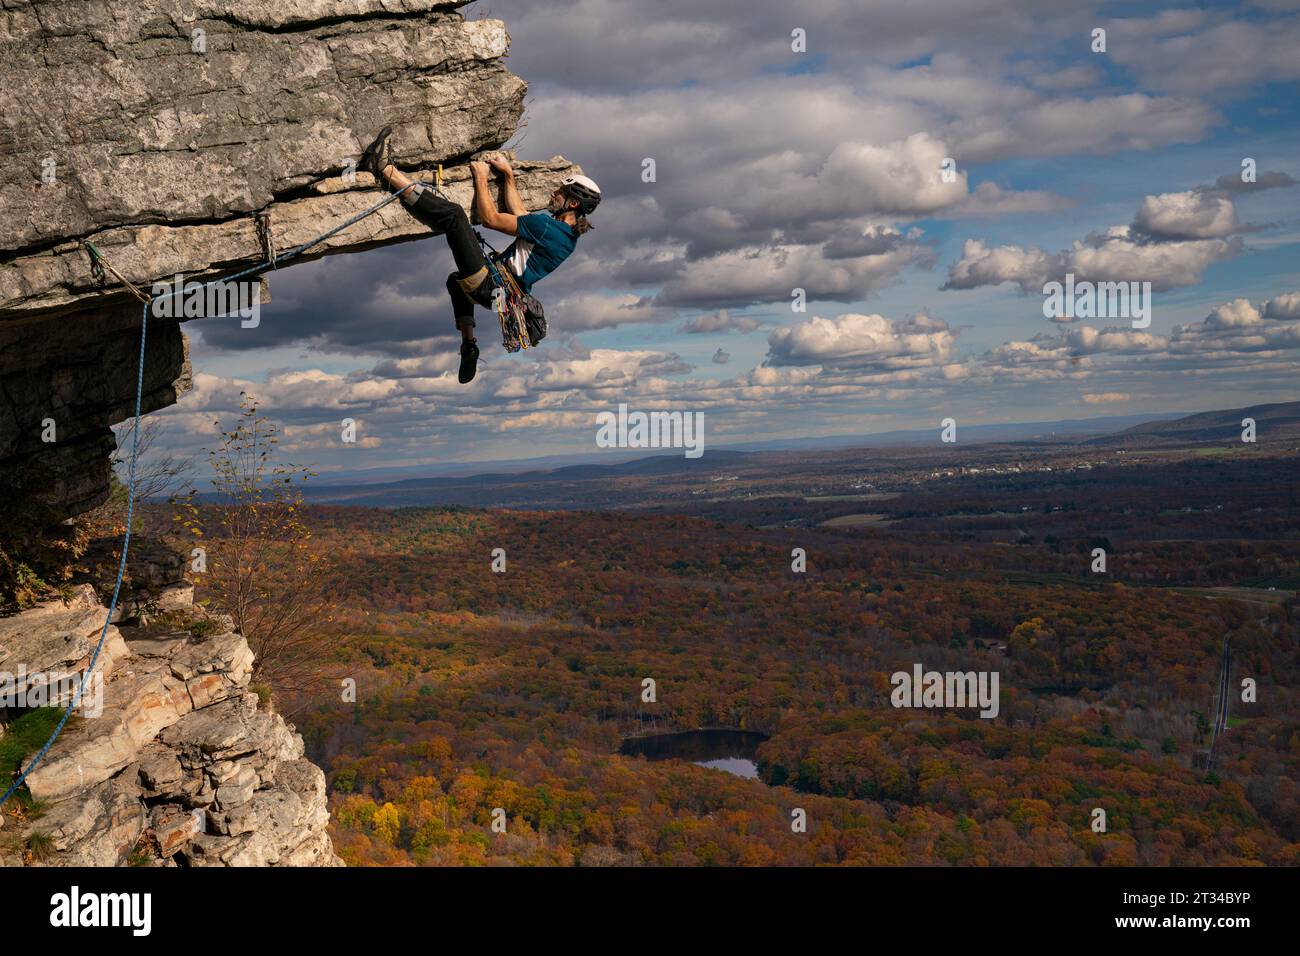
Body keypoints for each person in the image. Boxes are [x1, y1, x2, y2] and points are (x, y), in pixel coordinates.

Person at [359, 126, 601, 383]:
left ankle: (385, 169)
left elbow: (489, 219)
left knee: (454, 216)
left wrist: (481, 177)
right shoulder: (566, 236)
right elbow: (521, 215)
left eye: (560, 193)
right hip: (497, 295)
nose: (554, 194)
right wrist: (508, 177)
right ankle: (468, 345)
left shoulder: (550, 229)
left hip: (489, 283)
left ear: (572, 203)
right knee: (455, 281)